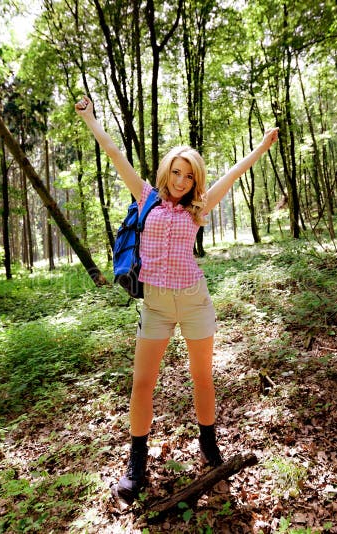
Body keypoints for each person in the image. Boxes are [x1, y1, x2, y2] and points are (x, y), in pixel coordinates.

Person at [74, 95, 279, 503]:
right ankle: (136, 464)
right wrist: (91, 119)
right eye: (177, 172)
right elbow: (114, 153)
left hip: (194, 301)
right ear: (167, 171)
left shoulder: (198, 209)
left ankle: (208, 444)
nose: (181, 181)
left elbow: (234, 175)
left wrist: (259, 149)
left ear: (195, 180)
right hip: (155, 307)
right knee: (142, 383)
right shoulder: (145, 196)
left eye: (189, 175)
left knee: (202, 376)